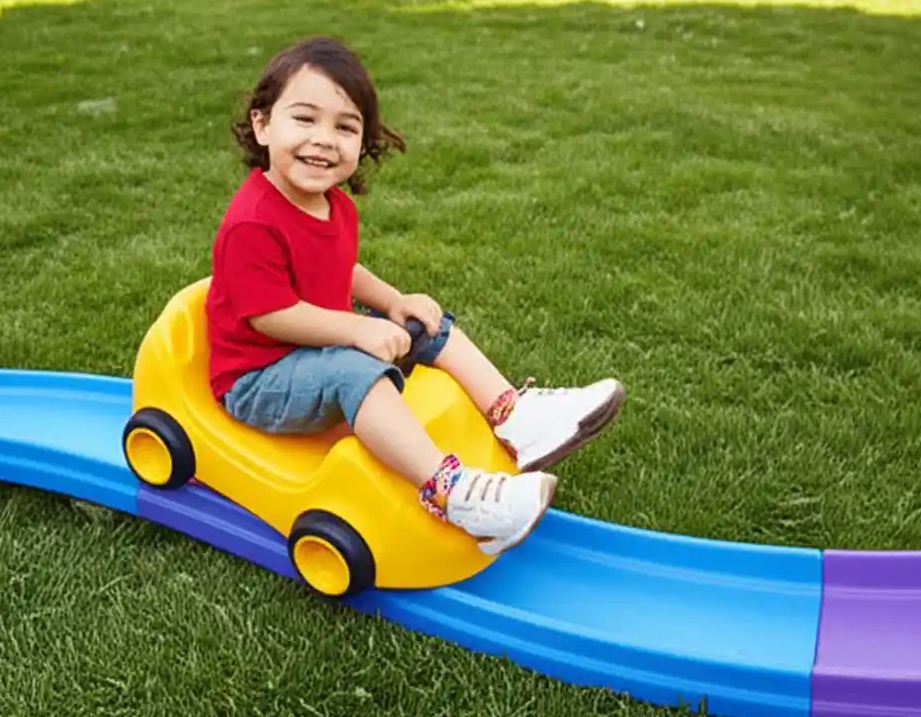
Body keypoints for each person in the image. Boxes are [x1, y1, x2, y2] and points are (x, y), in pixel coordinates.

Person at [203, 36, 625, 555]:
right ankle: (454, 494)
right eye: (305, 119)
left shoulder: (333, 206)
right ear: (264, 124)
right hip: (257, 379)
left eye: (345, 126)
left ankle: (515, 416)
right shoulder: (252, 222)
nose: (324, 139)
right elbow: (271, 315)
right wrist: (358, 328)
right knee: (354, 370)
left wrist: (391, 302)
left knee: (423, 325)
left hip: (311, 351)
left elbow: (341, 268)